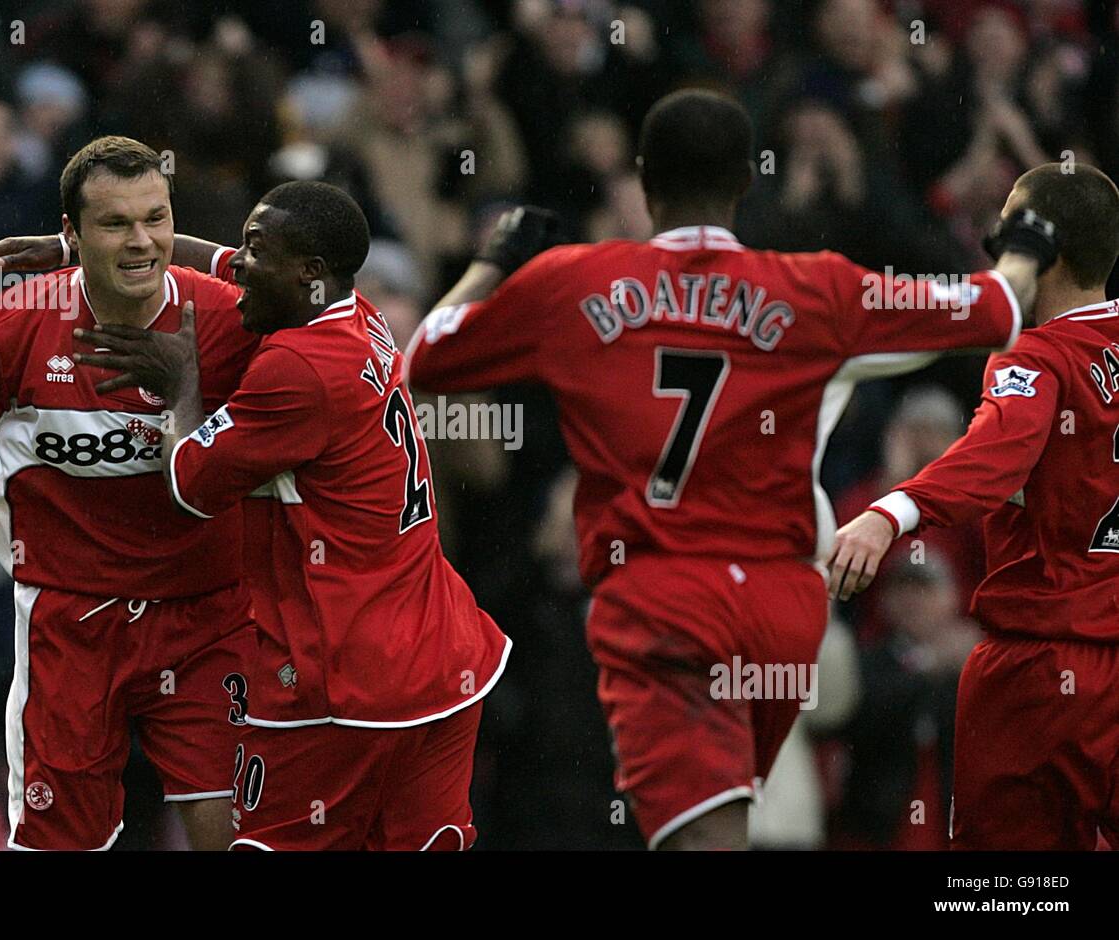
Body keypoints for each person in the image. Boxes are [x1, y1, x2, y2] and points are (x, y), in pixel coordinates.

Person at [402, 88, 1055, 850]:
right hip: (781, 613)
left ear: (644, 180)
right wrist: (1026, 244)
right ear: (748, 179)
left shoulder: (572, 282)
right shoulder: (819, 288)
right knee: (711, 826)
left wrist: (489, 264)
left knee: (705, 839)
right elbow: (995, 308)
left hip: (663, 601)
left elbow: (427, 357)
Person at [75, 180, 509, 851]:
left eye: (256, 250)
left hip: (341, 685)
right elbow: (217, 260)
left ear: (307, 273)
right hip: (440, 664)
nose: (239, 263)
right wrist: (79, 246)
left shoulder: (298, 367)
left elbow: (189, 483)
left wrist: (179, 384)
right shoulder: (356, 311)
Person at [0, 136, 260, 851]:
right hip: (70, 625)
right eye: (115, 224)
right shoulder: (14, 325)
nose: (143, 241)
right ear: (72, 235)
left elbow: (347, 323)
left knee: (238, 839)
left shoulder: (231, 319)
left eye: (156, 218)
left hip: (210, 620)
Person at [829, 162, 1119, 850]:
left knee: (1006, 893)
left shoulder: (1042, 356)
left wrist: (890, 511)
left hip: (1041, 669)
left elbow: (996, 455)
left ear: (1042, 248)